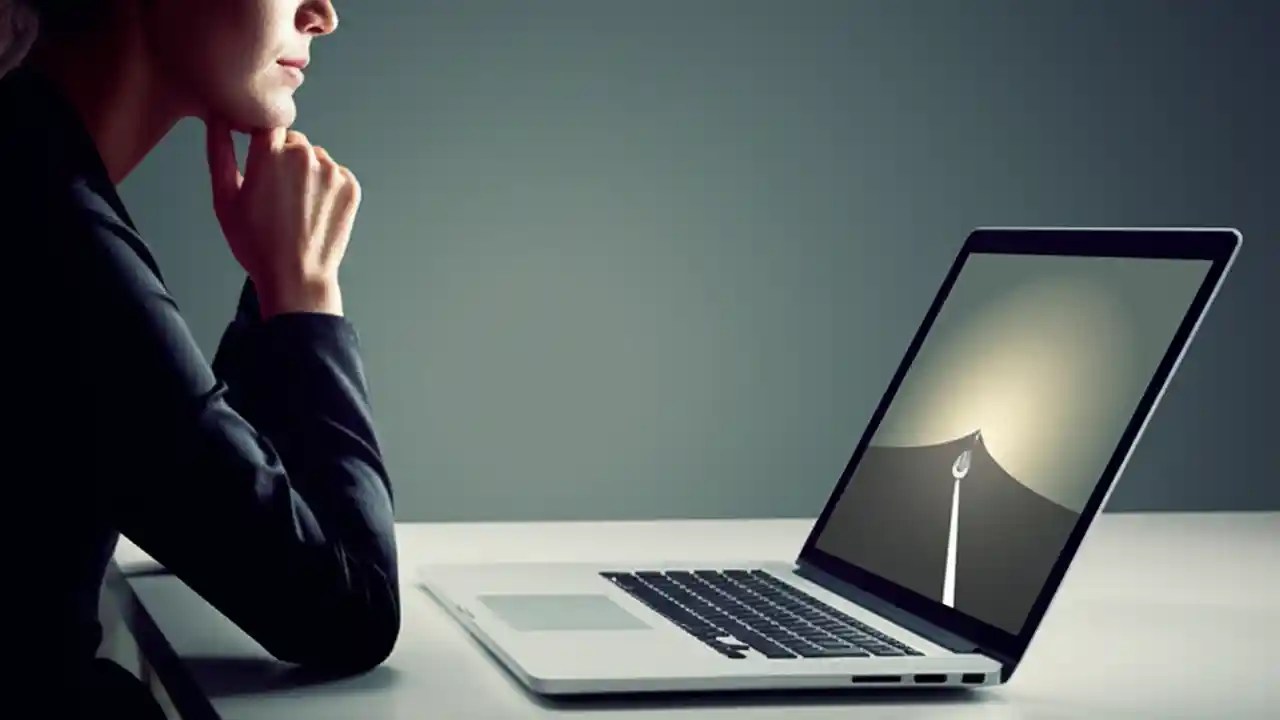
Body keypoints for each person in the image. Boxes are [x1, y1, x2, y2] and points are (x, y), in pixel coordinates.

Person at [0, 1, 400, 716]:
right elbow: (346, 610)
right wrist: (303, 292)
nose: (323, 13)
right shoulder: (42, 219)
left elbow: (214, 500)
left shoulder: (32, 166)